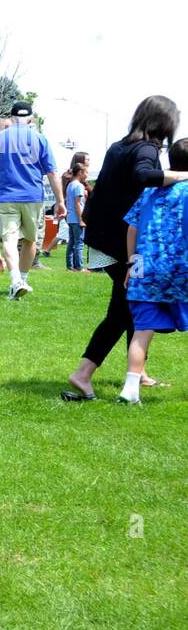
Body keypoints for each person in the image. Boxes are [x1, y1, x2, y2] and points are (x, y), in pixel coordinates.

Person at [65, 97, 188, 402]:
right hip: (120, 246)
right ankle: (85, 374)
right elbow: (143, 177)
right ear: (164, 123)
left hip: (101, 241)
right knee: (124, 310)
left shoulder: (119, 146)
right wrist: (182, 175)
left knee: (130, 308)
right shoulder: (146, 149)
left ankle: (136, 373)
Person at [117, 139, 188, 405]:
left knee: (142, 331)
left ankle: (130, 388)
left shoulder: (149, 192)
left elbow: (132, 228)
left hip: (145, 269)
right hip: (182, 268)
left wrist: (132, 264)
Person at [0, 101, 66, 300]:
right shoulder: (40, 138)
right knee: (30, 240)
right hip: (33, 196)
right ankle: (22, 279)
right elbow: (52, 172)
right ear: (31, 118)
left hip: (7, 196)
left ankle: (16, 280)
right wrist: (60, 201)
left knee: (9, 239)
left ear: (11, 117)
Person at [65, 153, 90, 272]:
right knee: (79, 243)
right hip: (76, 218)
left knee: (71, 243)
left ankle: (70, 266)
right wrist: (81, 219)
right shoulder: (79, 186)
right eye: (86, 173)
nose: (86, 175)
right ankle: (79, 266)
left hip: (70, 218)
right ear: (80, 172)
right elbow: (78, 204)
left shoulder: (69, 185)